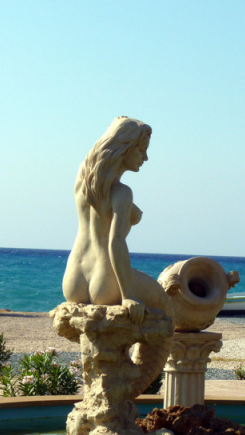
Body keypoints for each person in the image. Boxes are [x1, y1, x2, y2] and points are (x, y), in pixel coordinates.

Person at [62, 116, 171, 324]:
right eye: (141, 150)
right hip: (105, 280)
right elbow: (116, 243)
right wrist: (127, 295)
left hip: (73, 278)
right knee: (165, 305)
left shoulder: (82, 180)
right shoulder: (122, 193)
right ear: (124, 148)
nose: (145, 157)